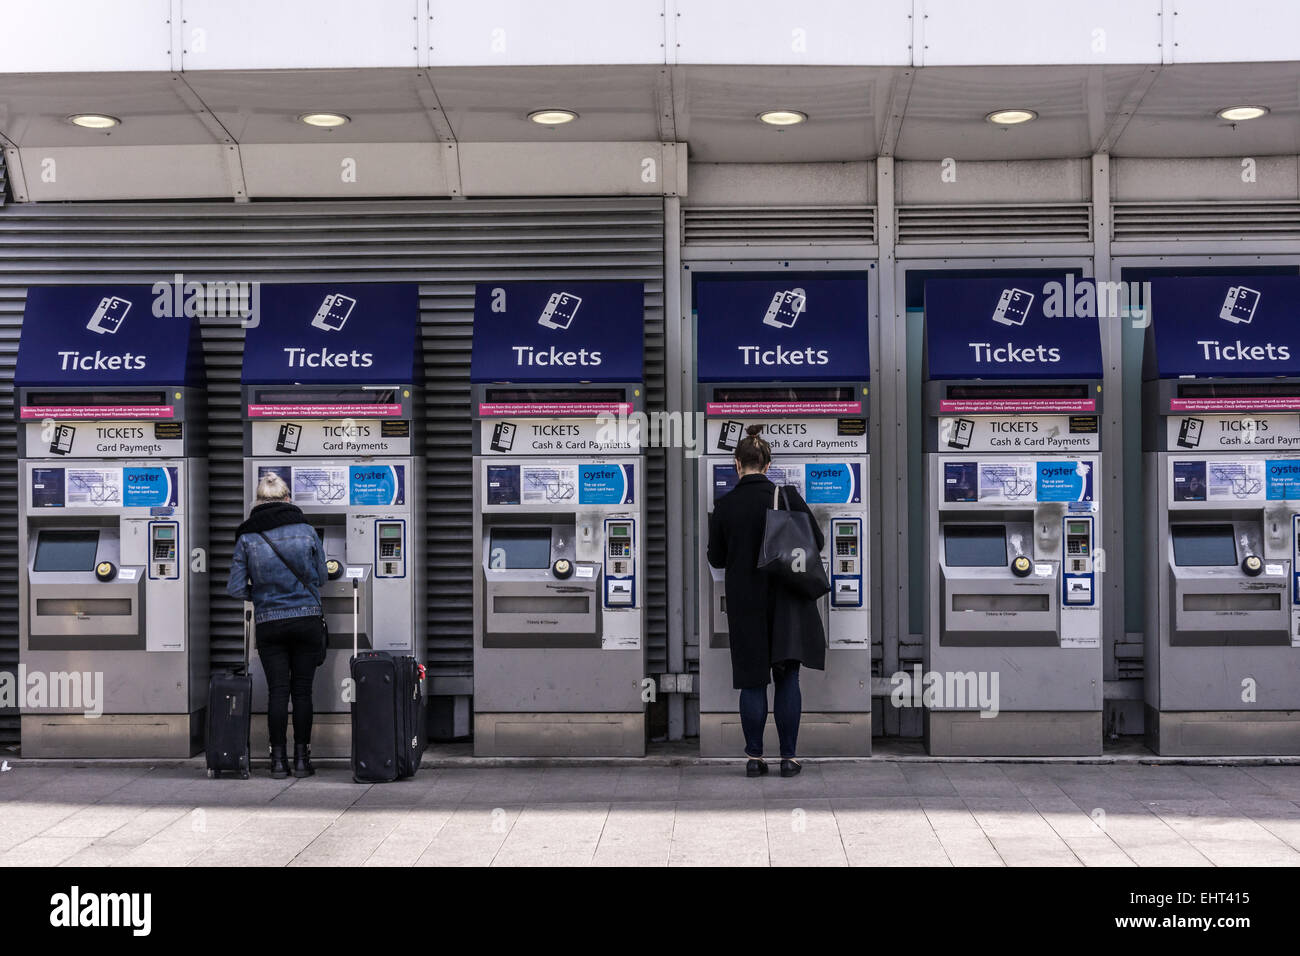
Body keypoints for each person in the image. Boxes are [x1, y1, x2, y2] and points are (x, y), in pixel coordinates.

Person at [707, 425, 826, 778]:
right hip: (789, 601)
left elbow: (716, 558)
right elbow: (815, 542)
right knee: (789, 678)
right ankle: (788, 758)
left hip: (746, 604)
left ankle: (754, 759)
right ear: (769, 463)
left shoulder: (724, 506)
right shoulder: (788, 498)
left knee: (753, 680)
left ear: (736, 464)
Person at [227, 473, 328, 779]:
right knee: (302, 693)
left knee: (277, 692)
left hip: (270, 622)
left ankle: (277, 762)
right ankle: (301, 760)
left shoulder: (247, 537)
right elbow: (321, 578)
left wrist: (260, 595)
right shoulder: (307, 532)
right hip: (306, 618)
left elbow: (234, 588)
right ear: (287, 499)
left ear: (257, 502)